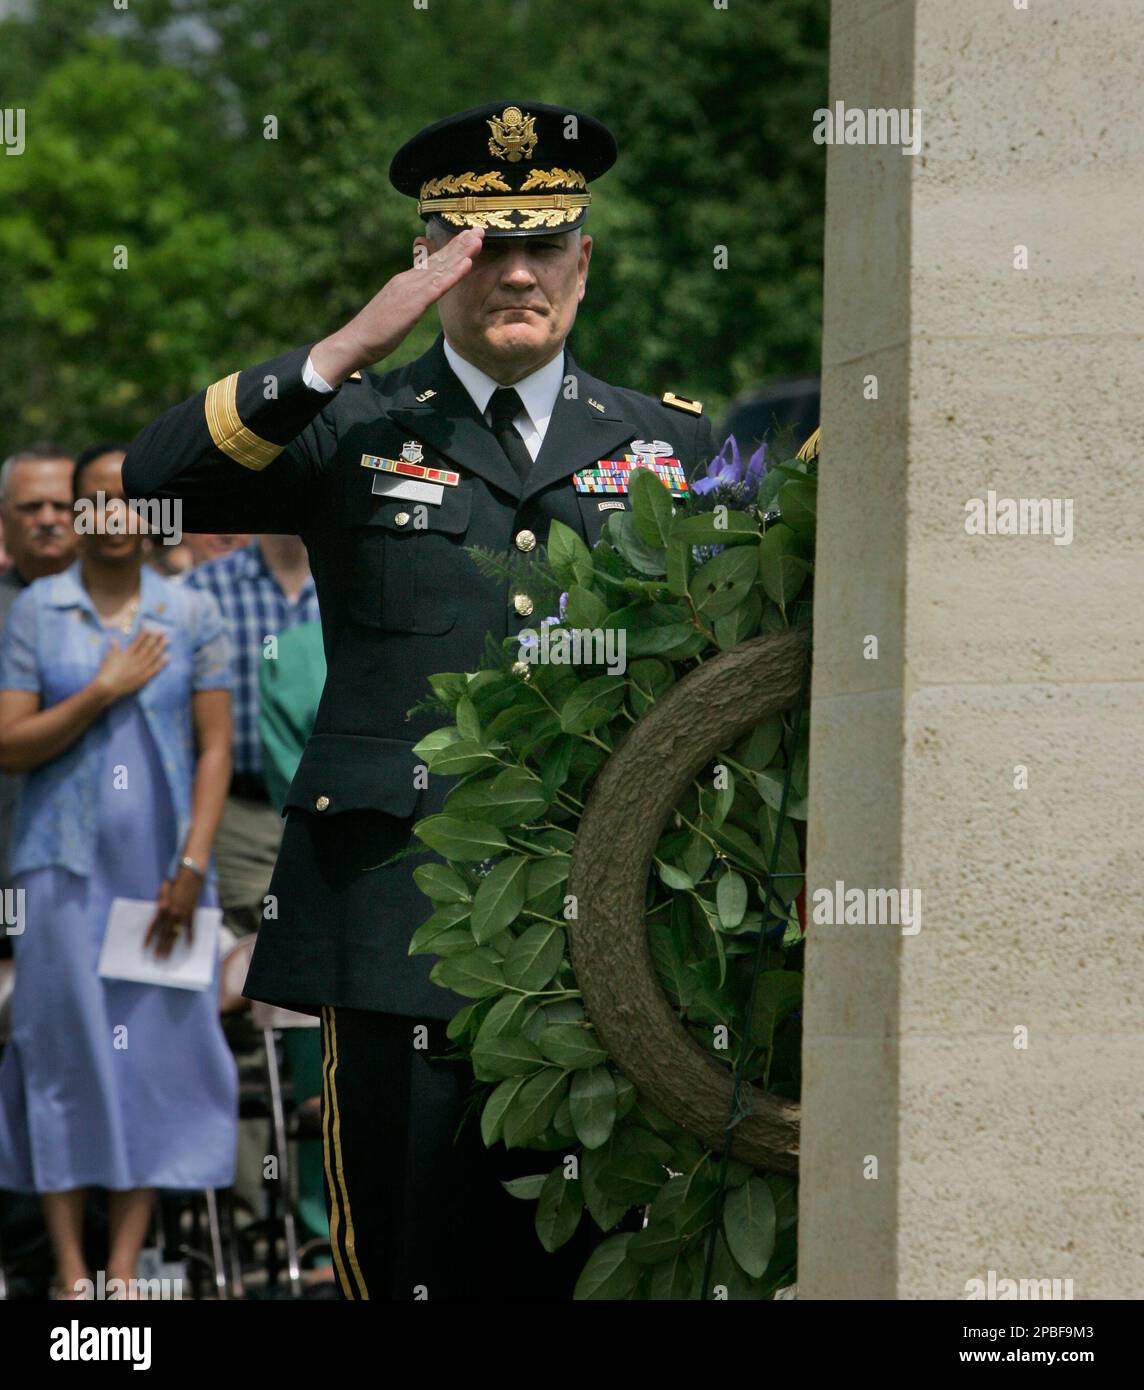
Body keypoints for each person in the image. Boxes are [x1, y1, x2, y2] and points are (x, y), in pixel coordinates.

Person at [123, 101, 713, 1300]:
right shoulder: (353, 422)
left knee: (599, 1269)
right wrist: (347, 345)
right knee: (408, 1263)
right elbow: (155, 485)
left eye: (541, 245)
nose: (514, 273)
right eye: (477, 247)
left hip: (610, 929)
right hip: (400, 925)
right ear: (427, 262)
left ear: (583, 262)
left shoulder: (671, 448)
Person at [0, 444, 237, 1298]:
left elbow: (215, 749)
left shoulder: (191, 609)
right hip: (59, 872)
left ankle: (126, 1270)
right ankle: (72, 1272)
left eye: (129, 500)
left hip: (164, 878)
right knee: (62, 1056)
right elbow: (9, 746)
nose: (112, 516)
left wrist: (193, 863)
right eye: (95, 501)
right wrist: (101, 690)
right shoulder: (38, 610)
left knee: (151, 1062)